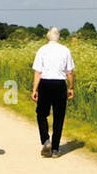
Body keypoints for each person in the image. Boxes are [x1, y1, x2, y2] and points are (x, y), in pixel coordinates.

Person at [31, 26, 74, 158]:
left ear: (48, 37)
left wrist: (35, 89)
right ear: (58, 37)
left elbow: (38, 72)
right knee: (59, 117)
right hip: (60, 84)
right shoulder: (65, 50)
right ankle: (55, 149)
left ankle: (46, 140)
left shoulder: (42, 50)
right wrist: (71, 87)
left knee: (41, 113)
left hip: (45, 84)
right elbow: (70, 72)